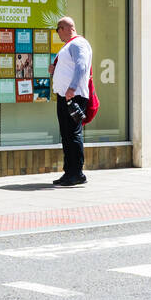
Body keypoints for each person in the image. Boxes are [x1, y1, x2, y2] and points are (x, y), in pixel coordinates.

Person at [49, 16, 92, 187]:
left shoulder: (78, 44)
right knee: (66, 135)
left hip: (73, 96)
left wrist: (72, 88)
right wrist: (54, 70)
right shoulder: (69, 46)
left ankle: (77, 173)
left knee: (73, 134)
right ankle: (69, 172)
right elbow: (70, 67)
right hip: (65, 95)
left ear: (65, 28)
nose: (58, 34)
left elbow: (82, 67)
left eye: (58, 30)